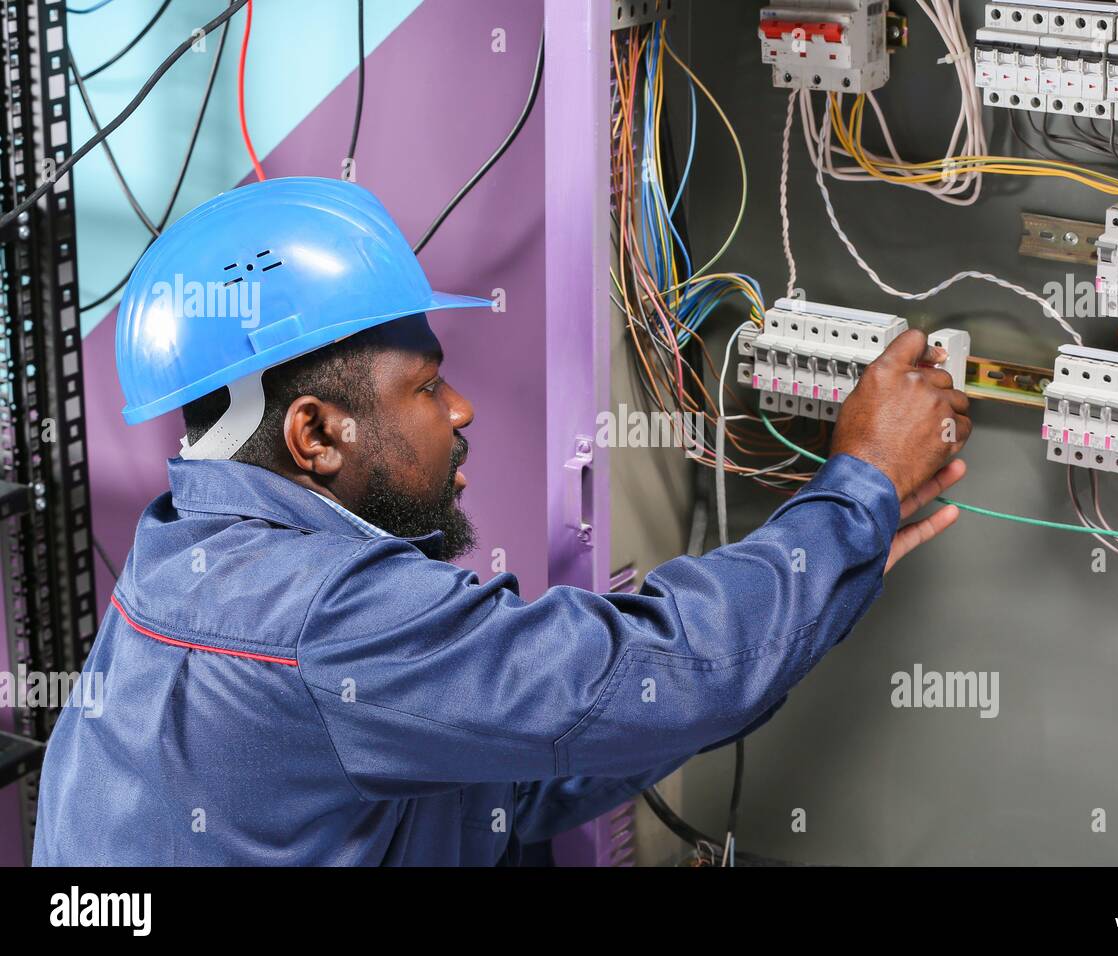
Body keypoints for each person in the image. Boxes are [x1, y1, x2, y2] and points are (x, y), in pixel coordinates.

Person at [33, 178, 970, 865]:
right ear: (315, 433)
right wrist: (856, 487)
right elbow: (659, 678)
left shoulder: (188, 547)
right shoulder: (318, 614)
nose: (462, 410)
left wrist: (815, 579)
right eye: (427, 386)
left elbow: (511, 769)